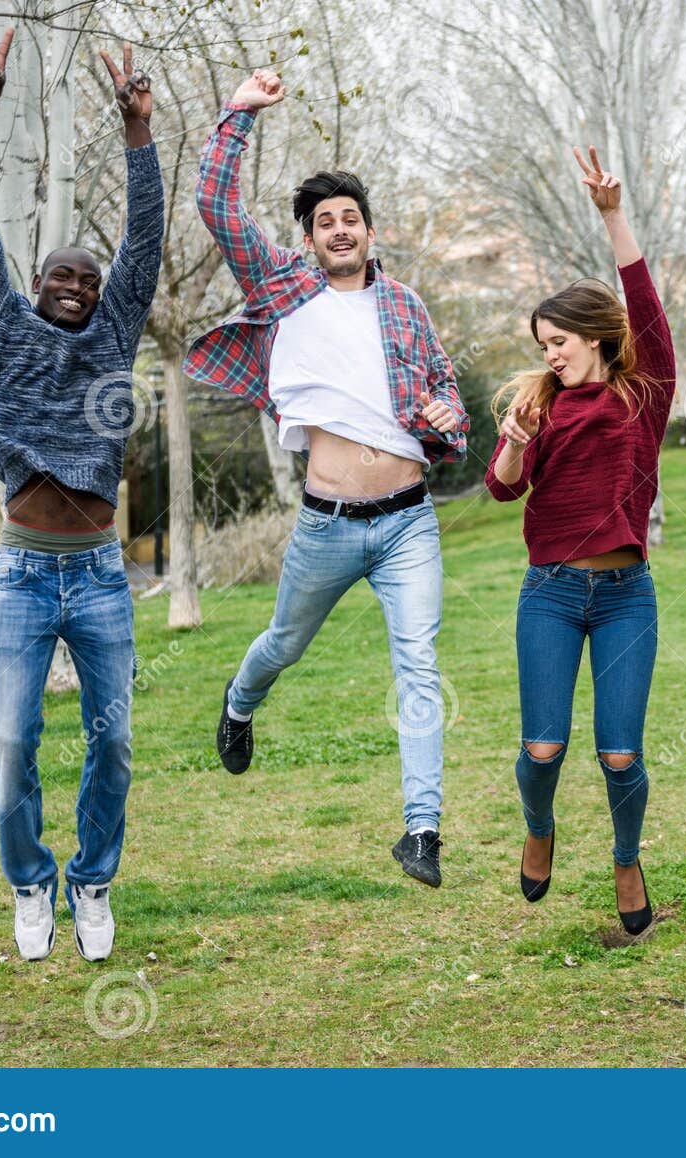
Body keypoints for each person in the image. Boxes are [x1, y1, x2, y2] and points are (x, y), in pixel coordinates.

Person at [185, 69, 468, 888]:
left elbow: (446, 390)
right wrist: (240, 113)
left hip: (409, 520)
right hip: (328, 524)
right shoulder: (281, 285)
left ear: (371, 232)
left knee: (418, 664)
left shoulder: (406, 305)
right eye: (324, 222)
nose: (339, 230)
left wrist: (446, 412)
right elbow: (216, 205)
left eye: (350, 219)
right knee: (285, 642)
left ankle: (422, 831)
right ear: (308, 239)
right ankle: (239, 703)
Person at [0, 23, 164, 961]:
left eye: (89, 278)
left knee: (112, 745)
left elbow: (145, 240)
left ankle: (93, 881)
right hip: (24, 575)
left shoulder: (113, 330)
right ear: (36, 282)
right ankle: (31, 883)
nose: (77, 287)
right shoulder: (3, 322)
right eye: (61, 276)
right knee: (11, 745)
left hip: (101, 576)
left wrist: (137, 130)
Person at [485, 147, 675, 940]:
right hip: (552, 594)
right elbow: (503, 488)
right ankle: (540, 828)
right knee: (543, 747)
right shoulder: (542, 406)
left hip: (626, 596)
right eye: (542, 345)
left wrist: (612, 214)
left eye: (559, 340)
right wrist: (514, 442)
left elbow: (648, 313)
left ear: (595, 337)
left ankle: (627, 860)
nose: (550, 354)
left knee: (620, 754)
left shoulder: (643, 395)